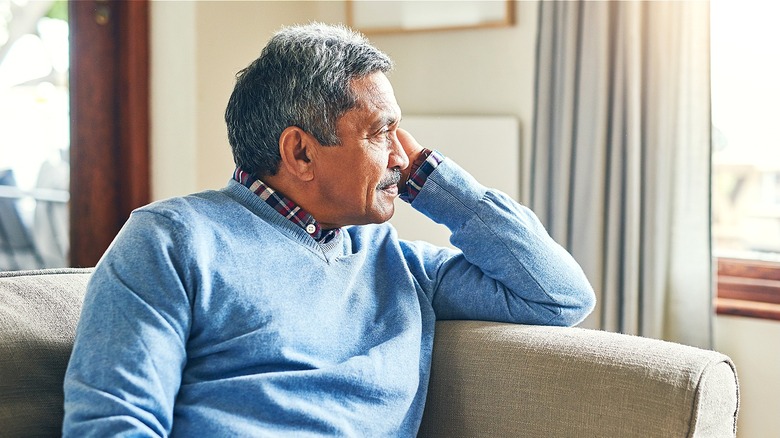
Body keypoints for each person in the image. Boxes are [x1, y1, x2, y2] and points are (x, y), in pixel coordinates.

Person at [63, 22, 595, 437]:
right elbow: (113, 424)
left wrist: (438, 185)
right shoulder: (171, 240)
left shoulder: (402, 267)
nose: (400, 155)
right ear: (300, 151)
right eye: (379, 132)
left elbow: (559, 297)